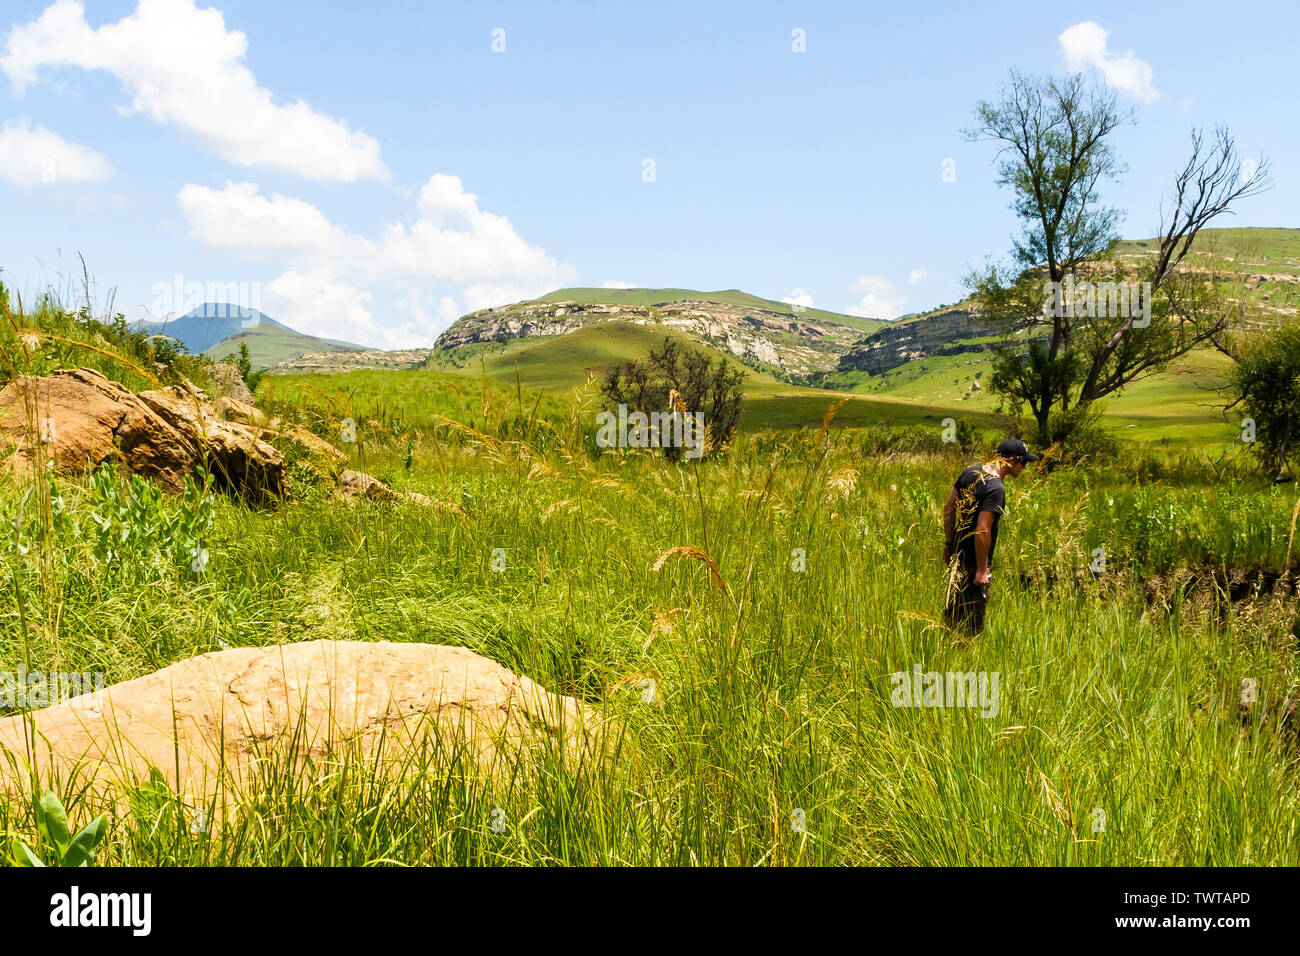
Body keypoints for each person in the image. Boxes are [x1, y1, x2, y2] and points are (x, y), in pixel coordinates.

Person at [941, 438, 1039, 633]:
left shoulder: (970, 472)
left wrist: (949, 543)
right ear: (1012, 461)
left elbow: (949, 508)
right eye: (1024, 463)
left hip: (957, 557)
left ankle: (945, 656)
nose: (1025, 467)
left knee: (952, 618)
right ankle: (965, 661)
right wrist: (981, 570)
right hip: (973, 565)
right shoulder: (996, 488)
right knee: (971, 625)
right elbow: (983, 529)